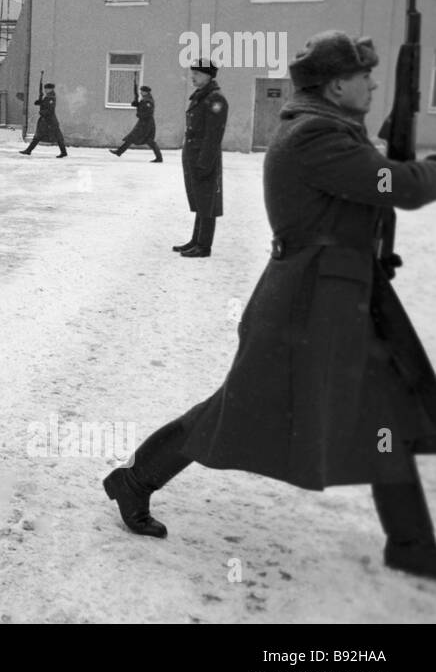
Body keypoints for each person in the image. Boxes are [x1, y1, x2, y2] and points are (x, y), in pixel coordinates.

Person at [104, 32, 436, 580]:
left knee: (384, 412)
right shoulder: (315, 137)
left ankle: (411, 540)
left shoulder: (330, 130)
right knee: (235, 409)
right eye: (363, 77)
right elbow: (396, 184)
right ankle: (135, 480)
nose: (373, 84)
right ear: (335, 85)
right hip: (305, 303)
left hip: (342, 295)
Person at [173, 59, 227, 257]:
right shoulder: (201, 96)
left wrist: (204, 163)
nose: (192, 77)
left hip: (205, 159)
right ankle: (195, 240)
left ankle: (204, 246)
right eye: (193, 73)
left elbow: (213, 136)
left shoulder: (215, 99)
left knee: (207, 201)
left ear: (208, 75)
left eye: (196, 73)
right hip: (194, 156)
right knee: (199, 199)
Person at [108, 84, 163, 162]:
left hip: (146, 123)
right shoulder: (145, 99)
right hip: (144, 122)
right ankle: (119, 152)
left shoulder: (148, 100)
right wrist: (135, 102)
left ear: (146, 92)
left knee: (143, 139)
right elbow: (139, 106)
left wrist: (140, 114)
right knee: (139, 138)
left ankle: (119, 152)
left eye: (142, 91)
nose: (140, 92)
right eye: (140, 91)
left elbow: (149, 112)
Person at [20, 82, 68, 157]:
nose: (45, 90)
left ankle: (63, 152)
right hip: (47, 120)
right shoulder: (48, 96)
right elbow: (46, 105)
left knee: (57, 136)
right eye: (45, 89)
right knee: (39, 136)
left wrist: (42, 112)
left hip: (49, 120)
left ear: (51, 89)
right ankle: (28, 150)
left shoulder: (51, 97)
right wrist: (40, 102)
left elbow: (50, 109)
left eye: (47, 89)